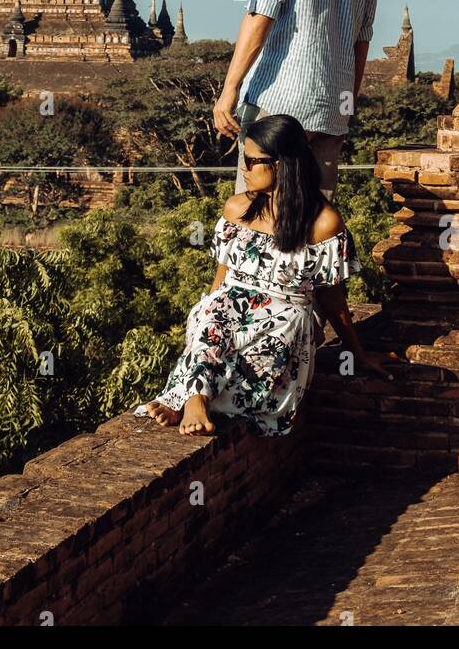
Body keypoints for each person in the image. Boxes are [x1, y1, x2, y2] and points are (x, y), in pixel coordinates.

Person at [211, 0, 402, 372]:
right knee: (312, 233)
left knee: (257, 225)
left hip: (276, 103)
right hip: (329, 108)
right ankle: (306, 353)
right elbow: (363, 41)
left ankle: (238, 361)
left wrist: (229, 87)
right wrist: (347, 101)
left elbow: (262, 10)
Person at [135, 115, 392, 439]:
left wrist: (357, 352)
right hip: (232, 302)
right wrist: (205, 315)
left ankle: (189, 397)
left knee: (268, 351)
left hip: (285, 314)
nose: (244, 168)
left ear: (282, 165)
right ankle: (195, 398)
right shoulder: (236, 209)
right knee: (212, 318)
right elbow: (222, 280)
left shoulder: (323, 222)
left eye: (253, 161)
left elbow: (332, 297)